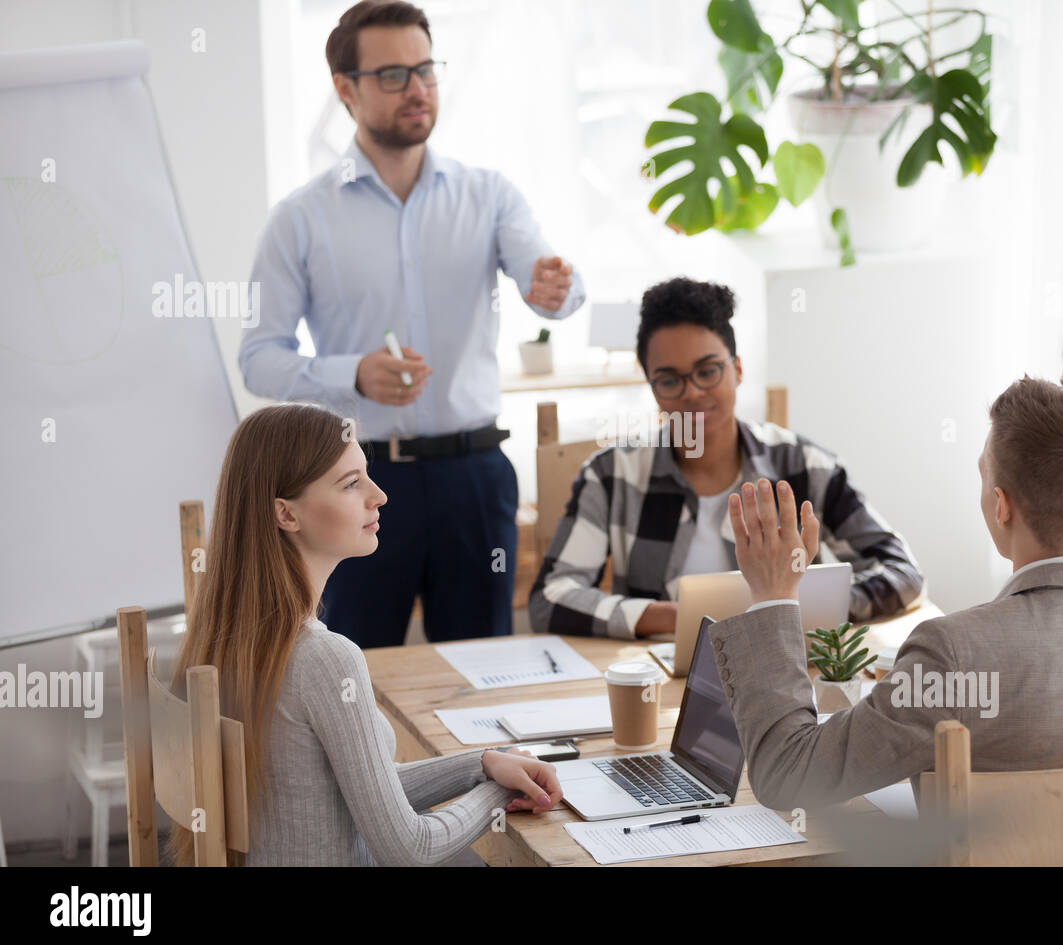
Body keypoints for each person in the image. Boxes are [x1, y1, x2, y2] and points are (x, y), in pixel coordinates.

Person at [707, 377, 1063, 810]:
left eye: (984, 477)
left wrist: (774, 597)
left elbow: (789, 774)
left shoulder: (954, 656)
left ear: (1001, 505)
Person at [240, 0, 585, 648]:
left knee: (484, 674)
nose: (418, 89)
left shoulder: (489, 196)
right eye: (393, 75)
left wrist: (556, 289)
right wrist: (354, 376)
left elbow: (551, 288)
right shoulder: (300, 218)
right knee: (354, 674)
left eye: (426, 70)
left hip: (475, 478)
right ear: (346, 89)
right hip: (356, 479)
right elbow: (259, 357)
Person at [168, 403, 561, 866]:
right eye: (351, 484)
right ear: (286, 515)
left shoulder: (230, 638)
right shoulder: (324, 659)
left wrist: (481, 765)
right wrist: (496, 793)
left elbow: (358, 790)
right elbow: (410, 848)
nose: (380, 496)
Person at [529, 277, 923, 637]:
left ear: (737, 369)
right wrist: (677, 617)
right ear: (651, 387)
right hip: (665, 683)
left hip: (788, 671)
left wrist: (797, 608)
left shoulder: (806, 467)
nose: (692, 393)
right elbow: (550, 598)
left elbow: (902, 572)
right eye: (669, 380)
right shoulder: (612, 474)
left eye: (708, 371)